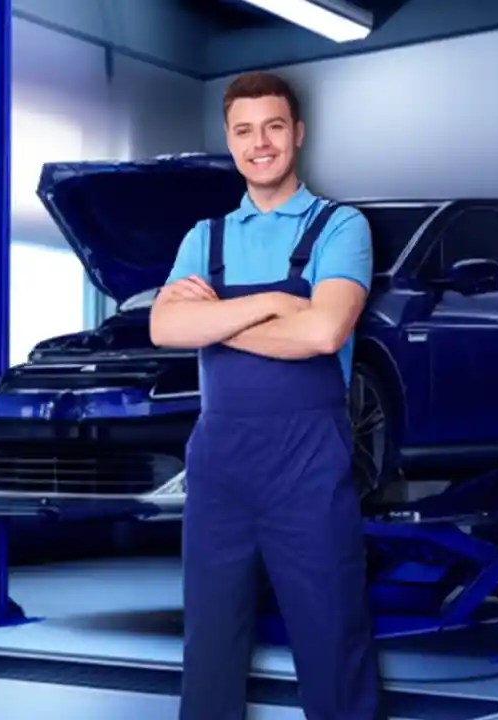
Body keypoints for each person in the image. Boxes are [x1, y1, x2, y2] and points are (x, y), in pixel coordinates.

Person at [150, 71, 384, 720]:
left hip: (307, 462)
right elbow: (164, 328)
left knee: (332, 638)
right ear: (230, 141)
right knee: (210, 648)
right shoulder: (204, 237)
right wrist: (279, 303)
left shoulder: (341, 226)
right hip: (219, 466)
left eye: (274, 127)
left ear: (298, 134)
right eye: (244, 131)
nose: (260, 144)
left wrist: (215, 320)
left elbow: (323, 332)